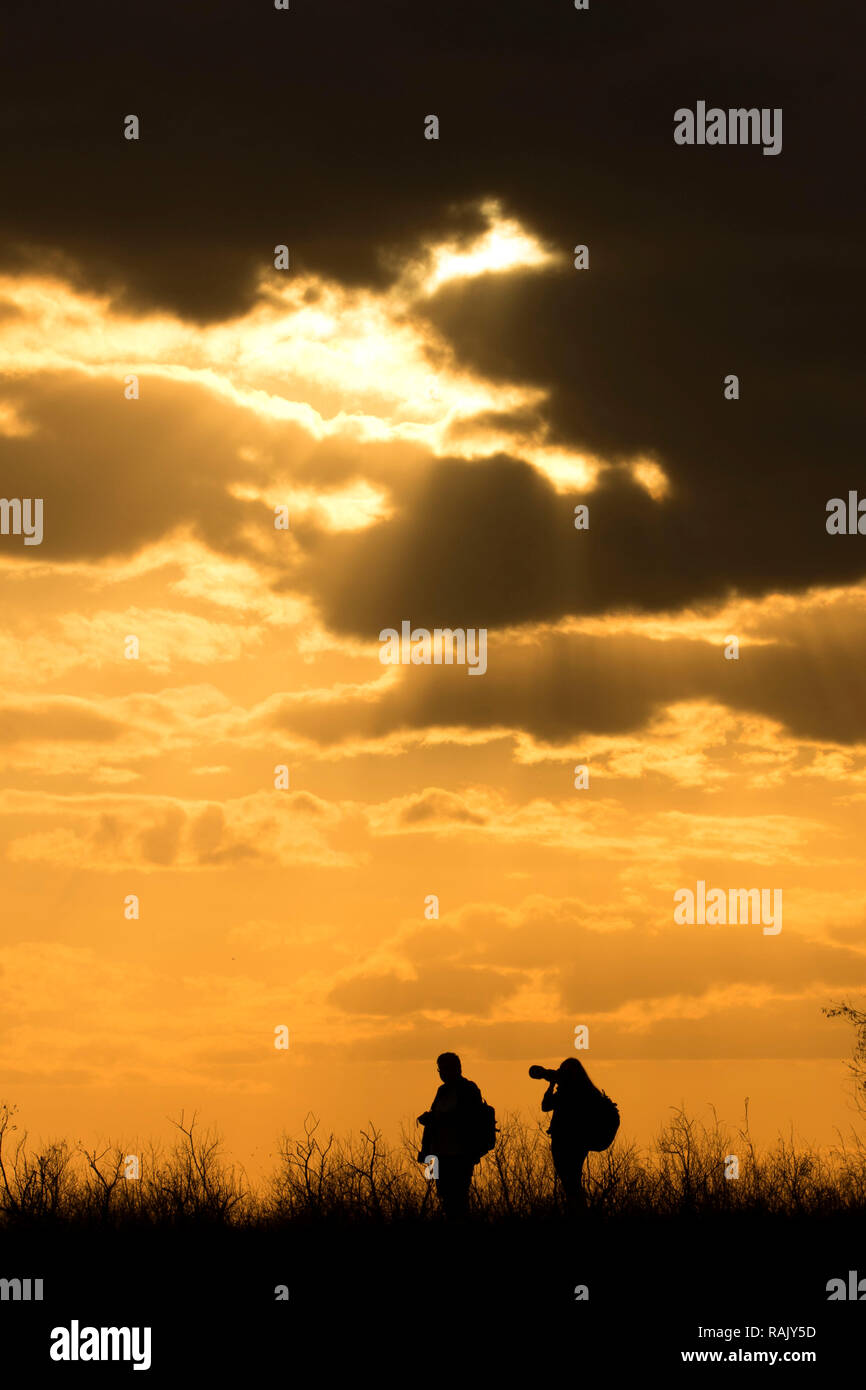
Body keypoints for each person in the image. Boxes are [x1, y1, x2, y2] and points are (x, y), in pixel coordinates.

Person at [417, 1052, 484, 1218]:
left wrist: (436, 1118)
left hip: (460, 1154)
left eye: (446, 1069)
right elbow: (432, 1125)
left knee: (459, 1199)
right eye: (441, 1070)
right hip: (440, 1155)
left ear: (457, 1068)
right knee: (444, 1197)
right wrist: (427, 1156)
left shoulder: (468, 1089)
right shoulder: (442, 1090)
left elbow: (468, 1118)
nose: (443, 1073)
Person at [541, 1057, 597, 1209]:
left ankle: (577, 1211)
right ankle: (580, 1210)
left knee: (569, 1182)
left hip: (564, 1141)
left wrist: (552, 1085)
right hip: (580, 1143)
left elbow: (545, 1106)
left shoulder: (568, 1091)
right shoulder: (586, 1090)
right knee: (573, 1180)